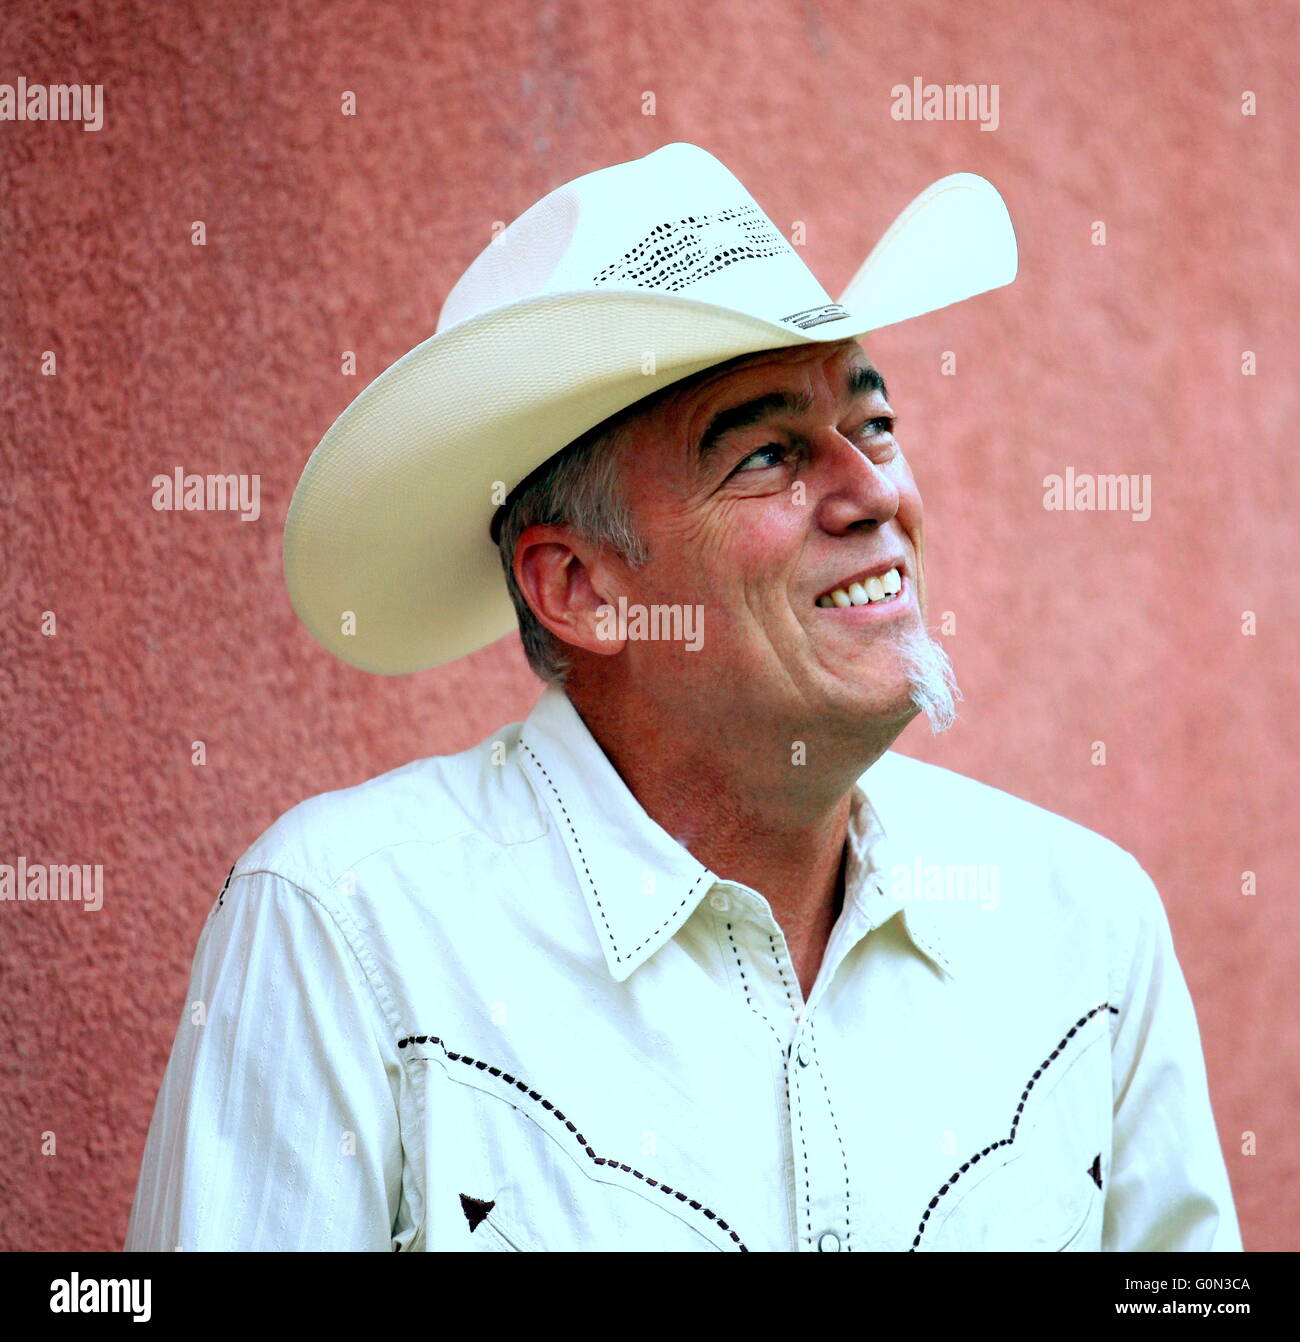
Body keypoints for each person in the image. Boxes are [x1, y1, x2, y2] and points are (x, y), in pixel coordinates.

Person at [124, 143, 1241, 1252]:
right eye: (765, 454)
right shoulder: (345, 927)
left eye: (875, 422)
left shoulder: (1086, 927)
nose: (873, 492)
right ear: (580, 587)